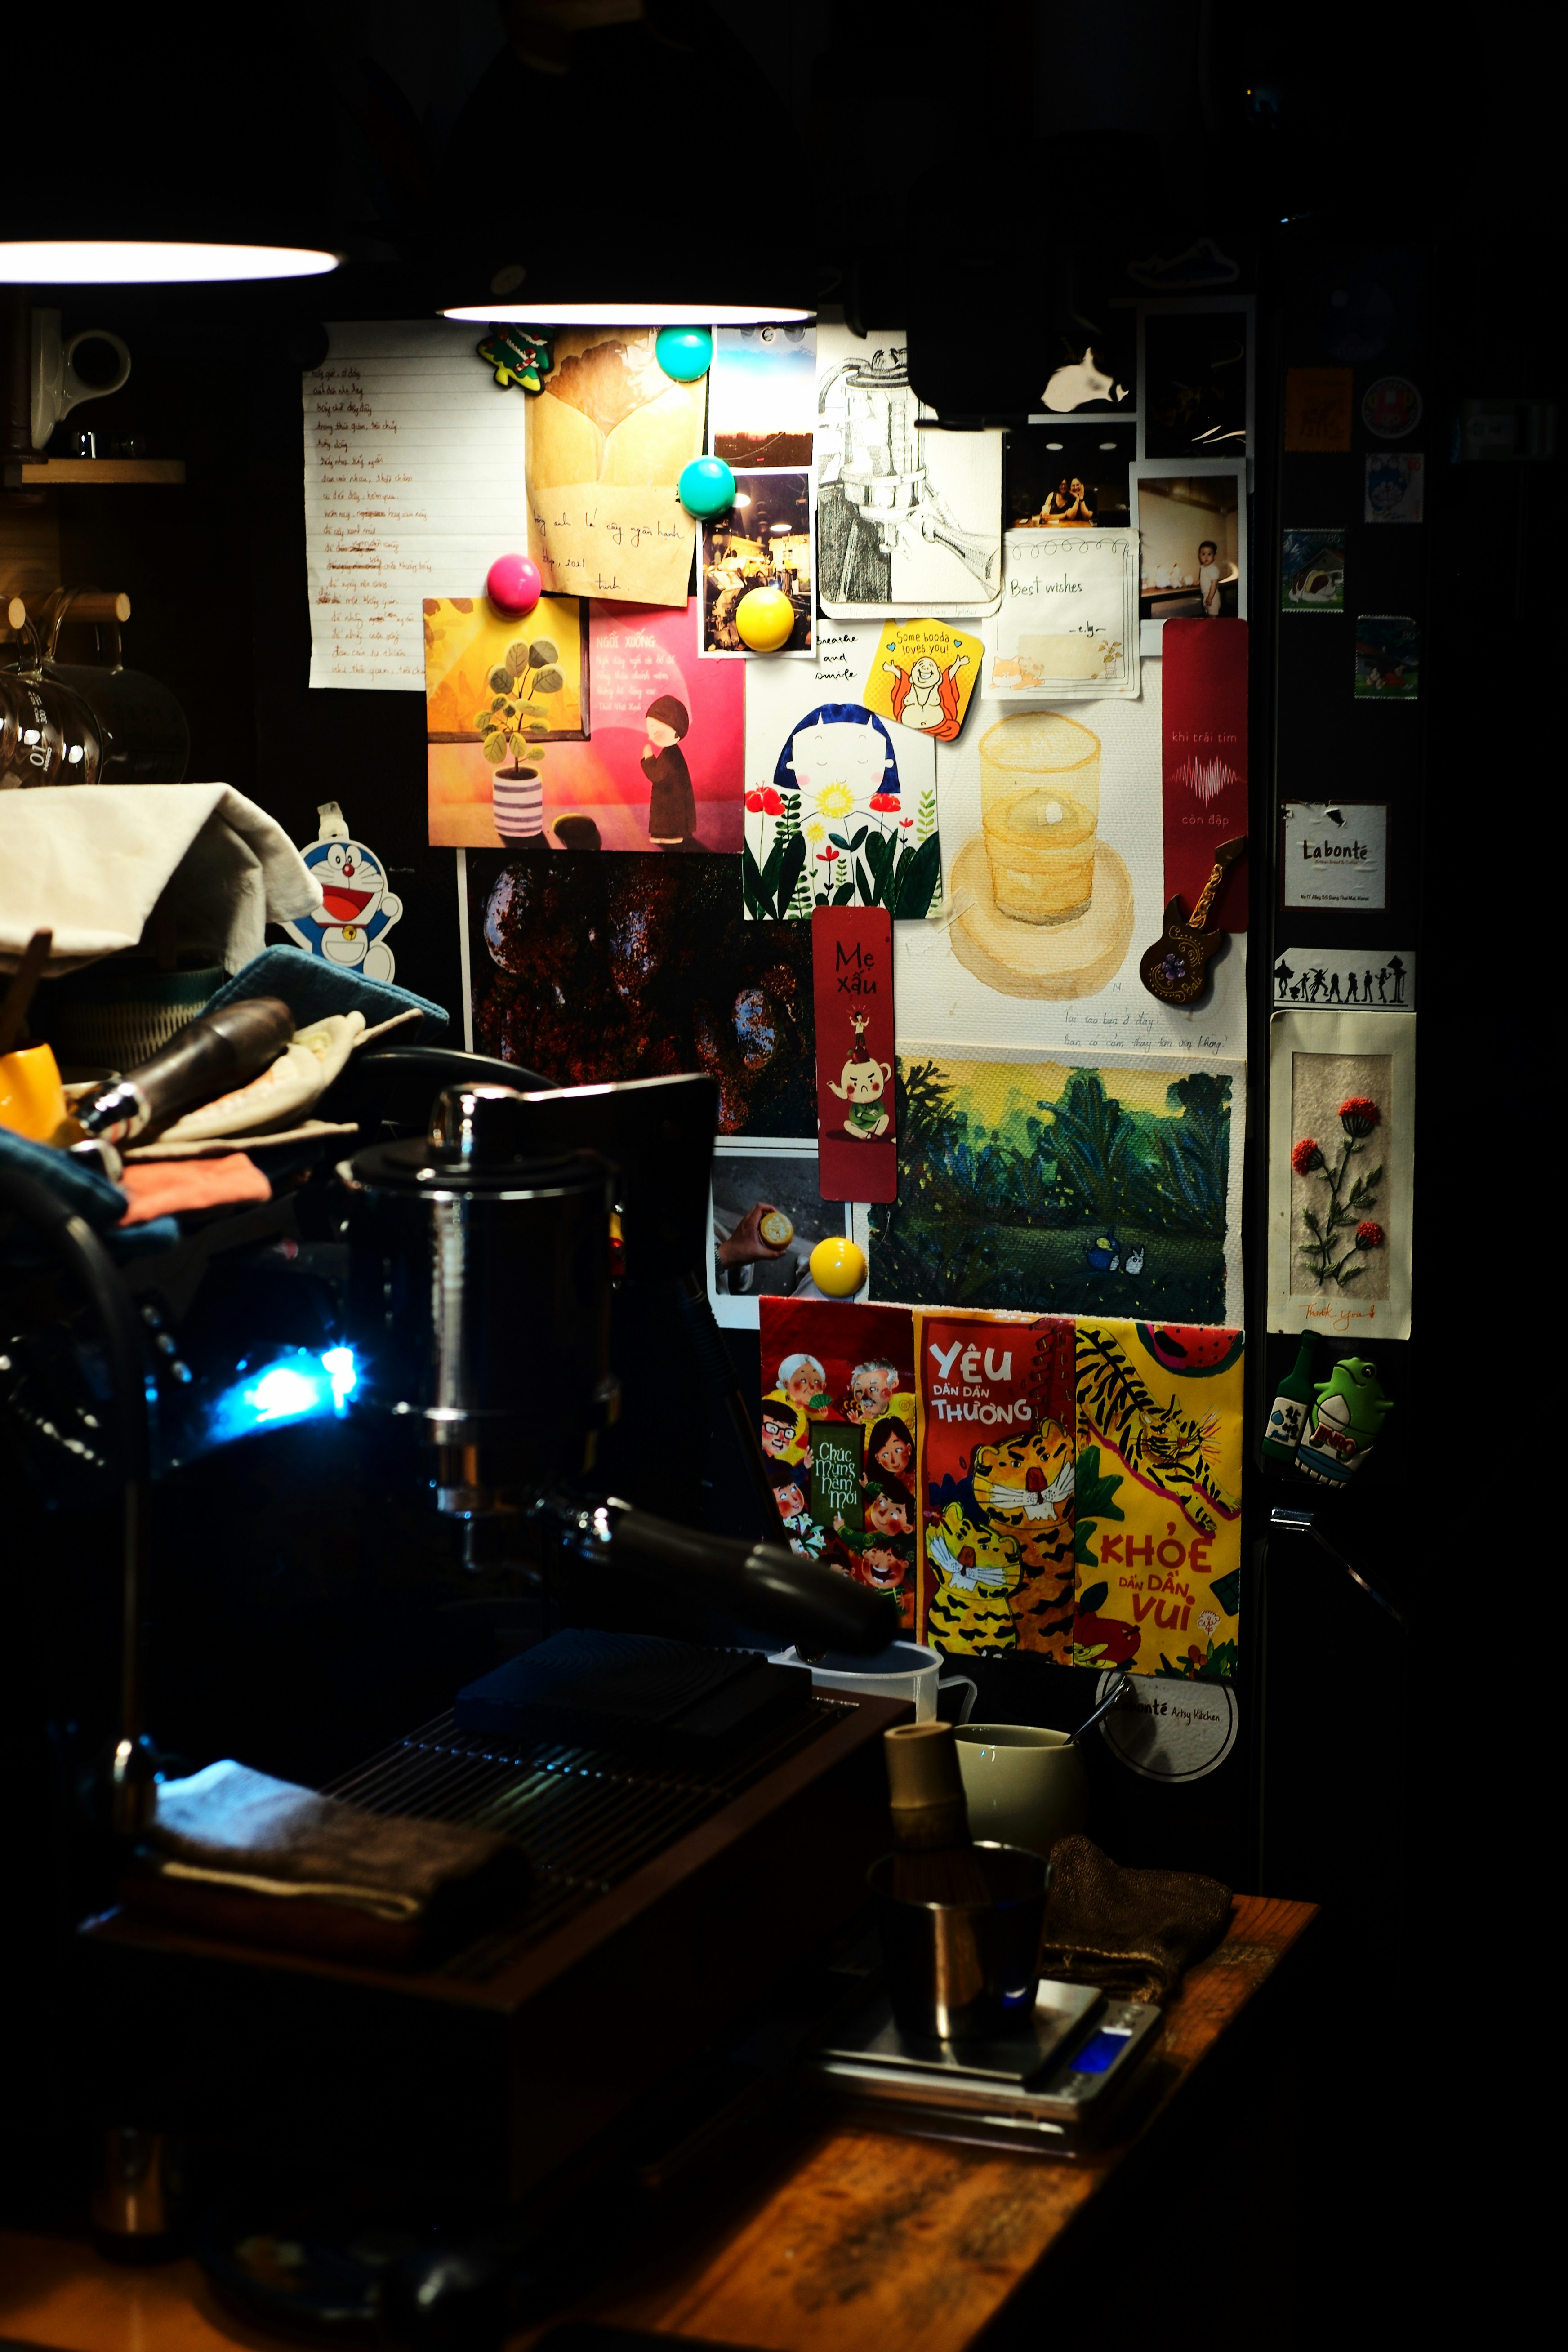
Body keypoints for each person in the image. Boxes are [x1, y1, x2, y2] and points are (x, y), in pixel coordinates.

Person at [642, 695, 696, 848]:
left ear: (676, 734)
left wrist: (648, 759)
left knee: (671, 815)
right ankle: (664, 835)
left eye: (655, 731)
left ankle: (672, 835)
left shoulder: (671, 755)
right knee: (666, 814)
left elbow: (656, 775)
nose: (650, 736)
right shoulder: (670, 753)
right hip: (668, 796)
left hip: (672, 798)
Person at [1198, 538, 1222, 617]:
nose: (1206, 557)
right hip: (1206, 595)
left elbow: (1214, 584)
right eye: (1203, 554)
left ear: (1214, 556)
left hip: (1213, 596)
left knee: (1213, 616)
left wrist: (1210, 598)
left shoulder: (1213, 569)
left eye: (1209, 554)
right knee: (1208, 614)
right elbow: (1204, 579)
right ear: (1200, 556)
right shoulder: (1203, 568)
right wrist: (1198, 582)